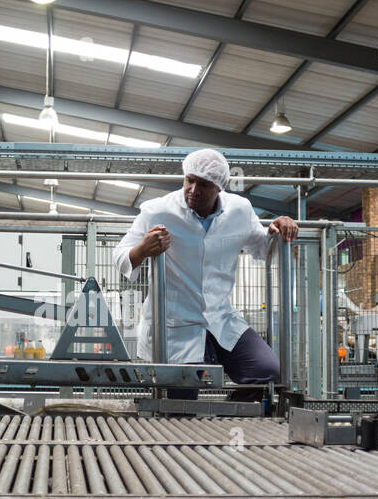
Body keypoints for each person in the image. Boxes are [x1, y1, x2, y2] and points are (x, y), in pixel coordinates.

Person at [113, 148, 298, 399]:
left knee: (266, 370)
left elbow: (263, 248)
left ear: (219, 187)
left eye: (204, 184)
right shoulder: (157, 211)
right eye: (189, 180)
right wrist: (143, 249)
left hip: (221, 317)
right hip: (174, 324)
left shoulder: (240, 210)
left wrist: (279, 227)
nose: (193, 190)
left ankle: (235, 425)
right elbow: (120, 256)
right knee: (181, 396)